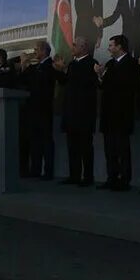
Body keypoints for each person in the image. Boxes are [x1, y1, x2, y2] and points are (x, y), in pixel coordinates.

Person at [96, 34, 140, 190]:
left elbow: (133, 86)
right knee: (109, 149)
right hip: (108, 114)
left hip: (122, 114)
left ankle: (124, 180)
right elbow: (104, 87)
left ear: (119, 47)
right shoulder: (109, 64)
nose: (109, 48)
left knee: (122, 149)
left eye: (111, 45)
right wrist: (100, 75)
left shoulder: (132, 64)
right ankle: (112, 177)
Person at [54, 36, 98, 186]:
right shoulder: (72, 64)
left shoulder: (92, 64)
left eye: (74, 45)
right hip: (70, 112)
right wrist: (60, 71)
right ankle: (74, 175)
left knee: (85, 147)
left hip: (84, 113)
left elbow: (89, 86)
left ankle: (88, 177)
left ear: (83, 47)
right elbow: (65, 82)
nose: (72, 47)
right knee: (72, 147)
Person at [20, 41, 57, 179]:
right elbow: (22, 80)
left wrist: (28, 66)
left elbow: (45, 81)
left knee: (46, 141)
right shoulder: (35, 67)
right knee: (35, 141)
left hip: (44, 110)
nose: (34, 52)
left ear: (43, 51)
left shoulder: (50, 66)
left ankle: (48, 172)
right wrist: (24, 66)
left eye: (36, 49)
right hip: (32, 110)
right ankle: (35, 170)